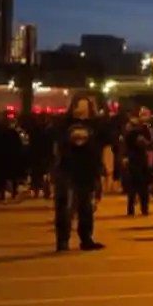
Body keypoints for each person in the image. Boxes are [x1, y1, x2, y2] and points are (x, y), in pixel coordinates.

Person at [53, 97, 105, 252]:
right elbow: (57, 145)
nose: (81, 109)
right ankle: (62, 240)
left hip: (87, 170)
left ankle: (86, 238)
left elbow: (101, 147)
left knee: (86, 206)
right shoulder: (64, 124)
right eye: (78, 106)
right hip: (67, 169)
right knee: (65, 206)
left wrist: (101, 169)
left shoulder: (95, 125)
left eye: (85, 106)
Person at [121, 108, 153, 216]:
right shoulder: (131, 128)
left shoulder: (146, 128)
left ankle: (143, 208)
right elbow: (127, 142)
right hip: (134, 158)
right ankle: (132, 208)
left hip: (141, 158)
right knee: (134, 185)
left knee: (142, 185)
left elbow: (150, 140)